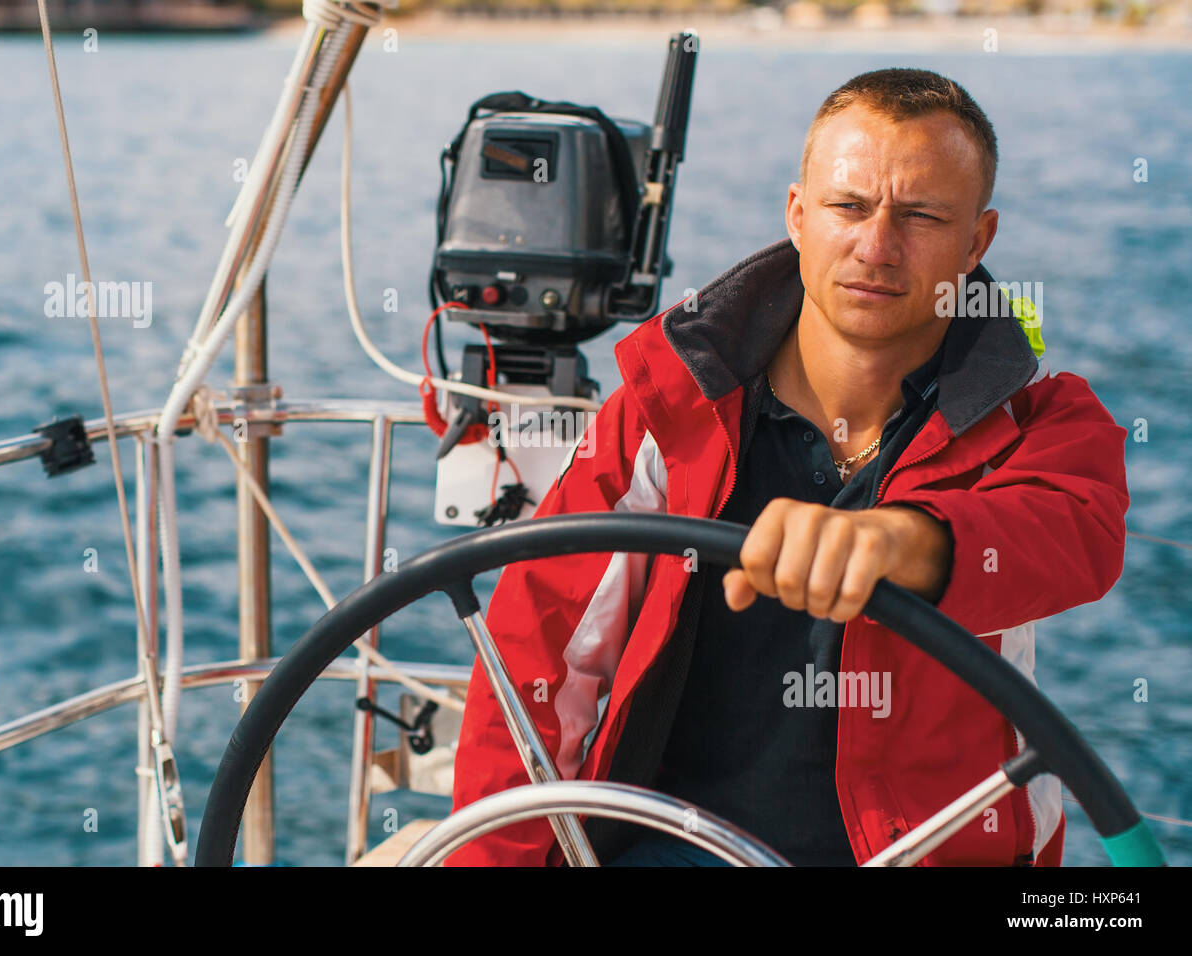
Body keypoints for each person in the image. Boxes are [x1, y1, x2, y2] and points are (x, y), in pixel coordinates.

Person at [447, 67, 1129, 867]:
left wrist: (898, 544)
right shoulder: (664, 409)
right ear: (799, 215)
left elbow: (1073, 533)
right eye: (848, 206)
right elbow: (538, 656)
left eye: (921, 215)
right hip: (677, 849)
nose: (876, 246)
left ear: (977, 241)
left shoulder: (1037, 421)